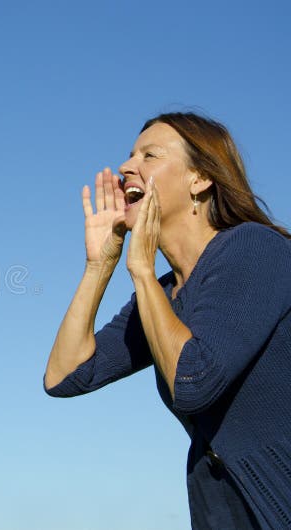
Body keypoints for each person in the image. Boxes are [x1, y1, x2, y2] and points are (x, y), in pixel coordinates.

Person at [43, 112, 291, 529]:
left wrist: (140, 268)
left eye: (150, 154)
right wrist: (99, 266)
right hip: (218, 510)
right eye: (129, 155)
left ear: (200, 180)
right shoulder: (162, 294)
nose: (126, 168)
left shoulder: (255, 248)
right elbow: (64, 376)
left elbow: (195, 382)